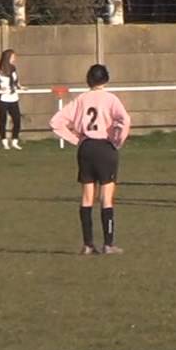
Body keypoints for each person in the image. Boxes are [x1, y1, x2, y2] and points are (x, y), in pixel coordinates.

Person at [49, 64, 131, 255]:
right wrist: (117, 140)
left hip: (86, 149)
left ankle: (87, 244)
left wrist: (75, 139)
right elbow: (124, 120)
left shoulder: (81, 99)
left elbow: (55, 122)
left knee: (87, 197)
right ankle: (108, 244)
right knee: (106, 198)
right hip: (105, 147)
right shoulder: (110, 99)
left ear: (88, 79)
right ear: (106, 79)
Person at [0, 49, 24, 151]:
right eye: (12, 57)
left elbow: (16, 81)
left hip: (13, 97)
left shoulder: (13, 68)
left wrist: (20, 86)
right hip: (2, 98)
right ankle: (4, 142)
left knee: (17, 120)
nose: (14, 59)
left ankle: (14, 141)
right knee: (3, 120)